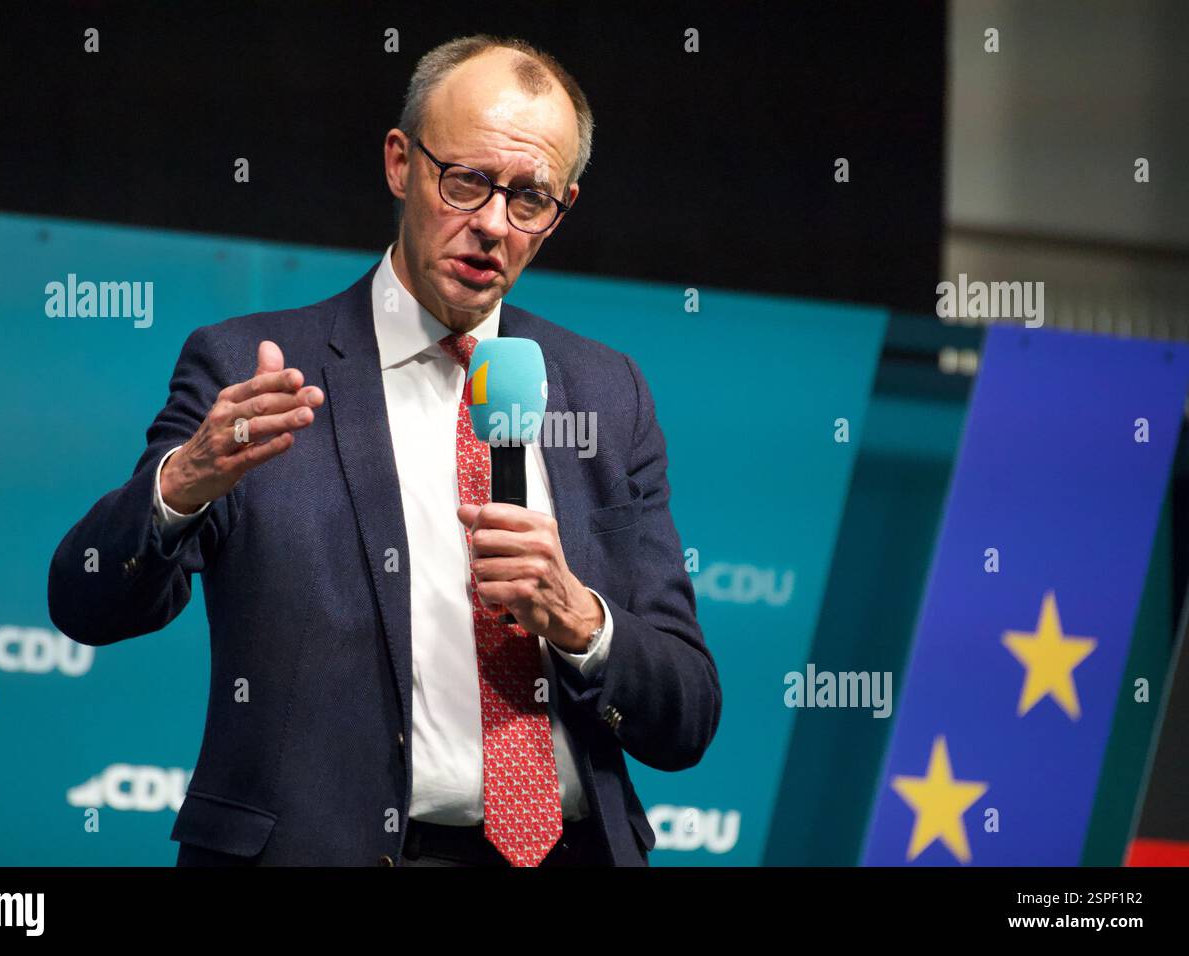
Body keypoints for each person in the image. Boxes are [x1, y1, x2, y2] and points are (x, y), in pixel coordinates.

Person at [48, 34, 720, 867]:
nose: (491, 227)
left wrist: (582, 623)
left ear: (563, 207)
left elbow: (687, 715)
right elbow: (86, 604)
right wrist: (182, 484)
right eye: (467, 181)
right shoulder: (253, 369)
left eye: (530, 199)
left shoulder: (606, 394)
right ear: (401, 163)